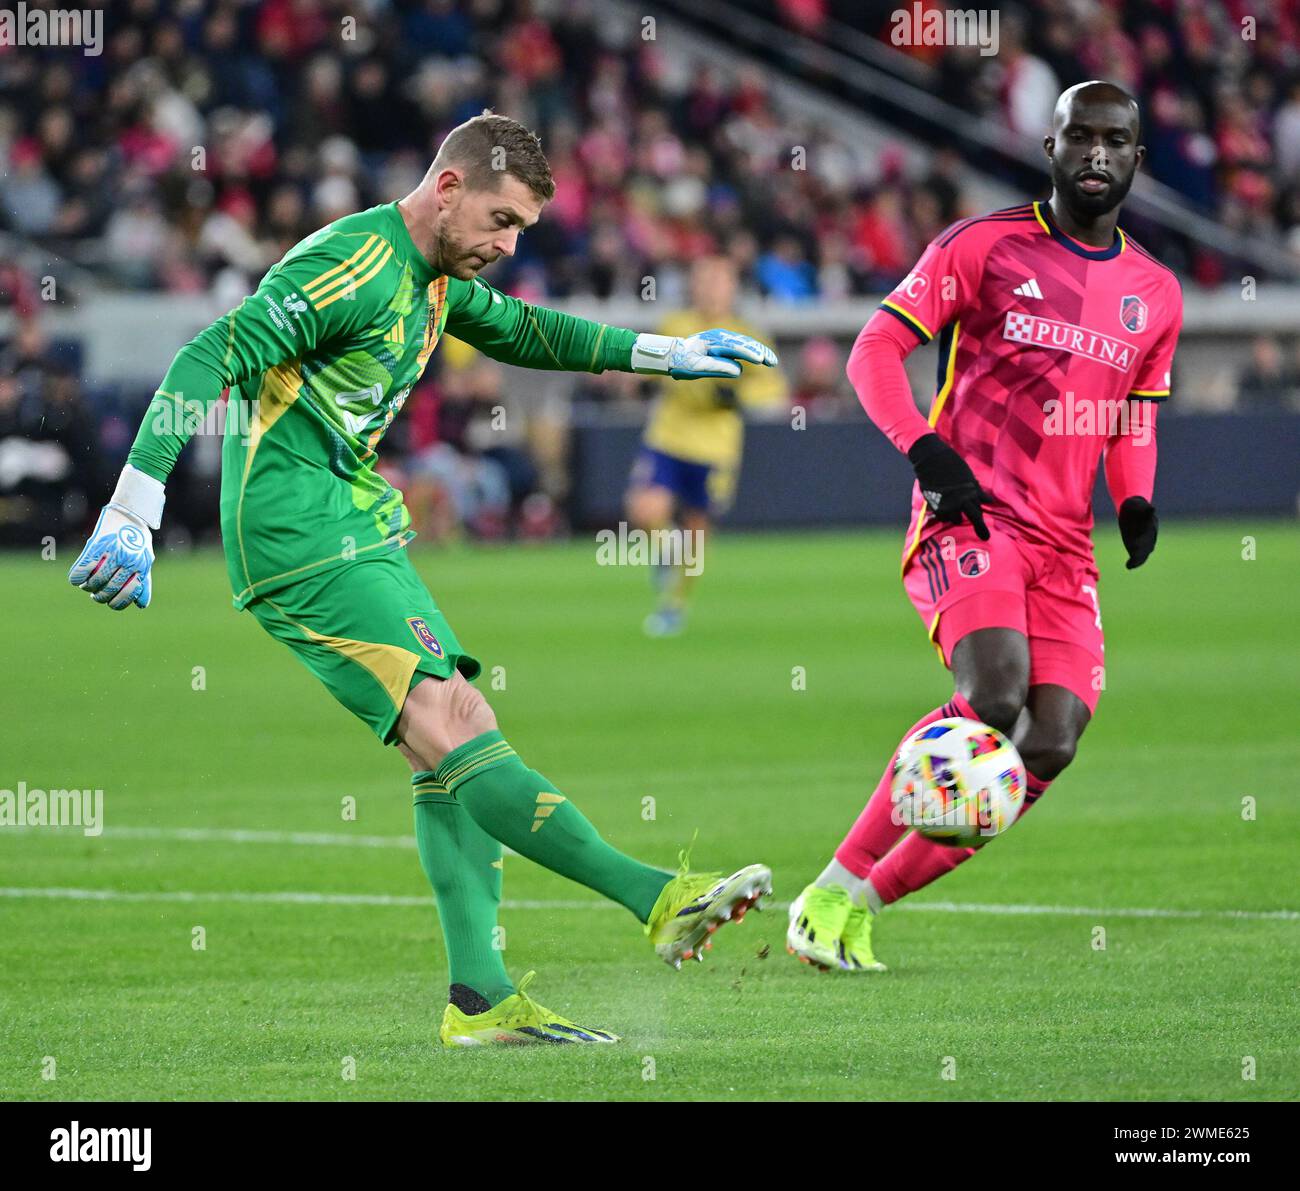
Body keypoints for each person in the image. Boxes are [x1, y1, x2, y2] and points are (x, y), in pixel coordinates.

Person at [69, 111, 777, 1046]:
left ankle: (479, 1002)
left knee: (449, 744)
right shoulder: (352, 267)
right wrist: (135, 498)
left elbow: (526, 331)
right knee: (453, 720)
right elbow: (212, 353)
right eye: (499, 220)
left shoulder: (437, 273)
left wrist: (665, 353)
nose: (507, 245)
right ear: (448, 188)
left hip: (349, 525)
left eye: (521, 228)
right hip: (296, 533)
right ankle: (656, 899)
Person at [787, 82, 1182, 972]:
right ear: (1049, 144)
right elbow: (873, 350)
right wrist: (926, 451)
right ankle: (828, 884)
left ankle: (858, 902)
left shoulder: (1155, 291)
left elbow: (1136, 413)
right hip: (969, 513)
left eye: (1115, 140)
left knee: (1052, 738)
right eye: (1079, 135)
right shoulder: (984, 245)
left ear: (1135, 160)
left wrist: (1134, 497)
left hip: (1063, 543)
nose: (1096, 153)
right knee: (994, 693)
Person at [625, 254, 787, 636]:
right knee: (644, 511)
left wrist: (739, 396)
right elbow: (651, 364)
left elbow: (772, 387)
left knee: (698, 530)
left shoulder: (746, 335)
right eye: (704, 281)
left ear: (732, 289)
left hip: (714, 446)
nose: (712, 289)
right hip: (668, 434)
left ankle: (673, 606)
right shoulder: (676, 326)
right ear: (692, 287)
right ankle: (666, 549)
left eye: (720, 281)